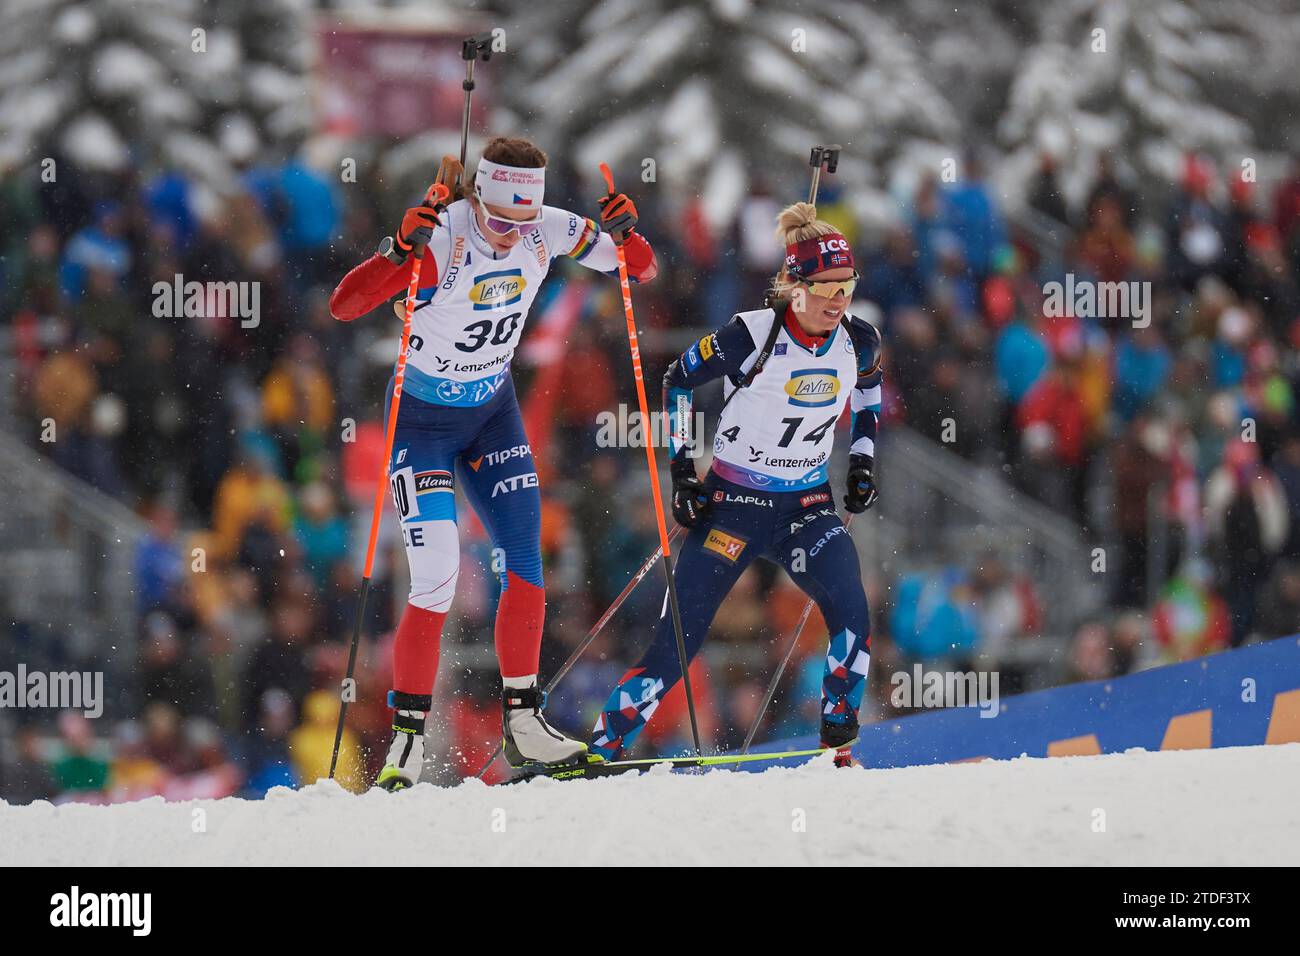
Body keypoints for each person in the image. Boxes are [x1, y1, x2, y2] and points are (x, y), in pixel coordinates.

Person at [330, 137, 658, 788]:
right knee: (436, 580)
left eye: (522, 222)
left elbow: (638, 269)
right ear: (476, 199)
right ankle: (406, 738)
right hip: (423, 426)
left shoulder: (547, 227)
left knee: (525, 561)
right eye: (499, 221)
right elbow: (345, 305)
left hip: (492, 416)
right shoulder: (445, 236)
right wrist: (398, 249)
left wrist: (628, 232)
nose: (511, 236)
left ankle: (524, 719)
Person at [589, 201, 881, 768]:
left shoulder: (859, 340)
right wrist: (682, 471)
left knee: (852, 612)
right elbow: (676, 380)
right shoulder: (753, 333)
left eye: (846, 286)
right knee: (678, 642)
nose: (837, 300)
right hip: (734, 506)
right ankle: (605, 746)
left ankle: (839, 748)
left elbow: (868, 392)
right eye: (825, 288)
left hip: (807, 505)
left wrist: (864, 460)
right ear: (794, 286)